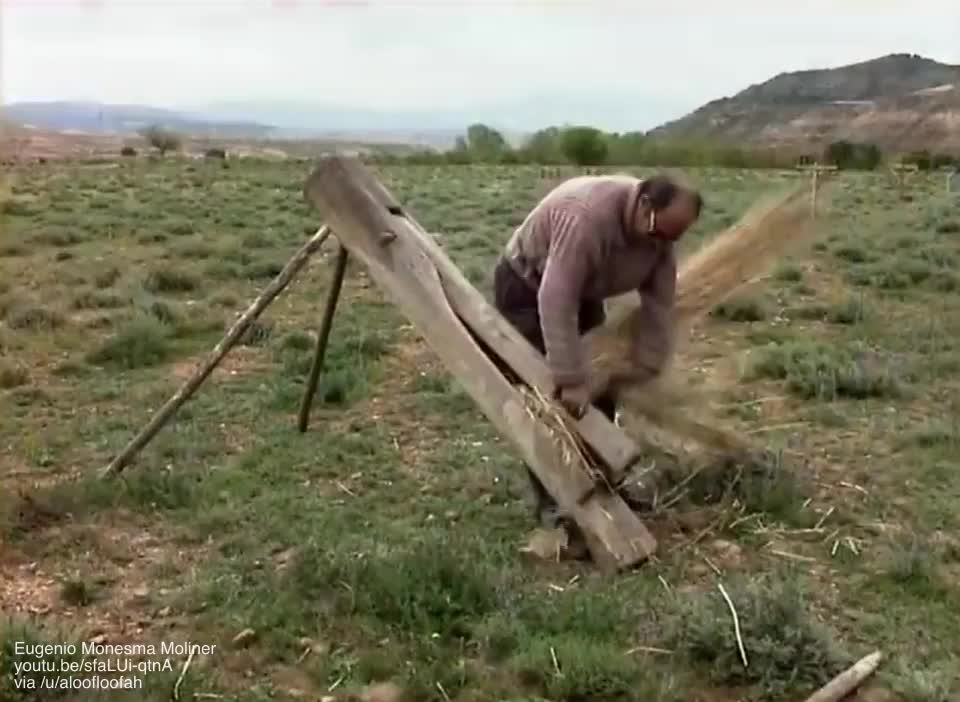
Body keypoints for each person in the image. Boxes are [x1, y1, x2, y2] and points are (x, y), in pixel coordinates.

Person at [492, 172, 703, 541]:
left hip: (586, 291)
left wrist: (649, 361)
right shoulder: (586, 218)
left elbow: (659, 303)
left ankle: (605, 487)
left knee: (603, 387)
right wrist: (570, 379)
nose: (661, 244)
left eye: (672, 238)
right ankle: (555, 504)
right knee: (547, 399)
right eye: (657, 232)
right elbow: (556, 300)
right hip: (528, 287)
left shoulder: (661, 235)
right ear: (643, 203)